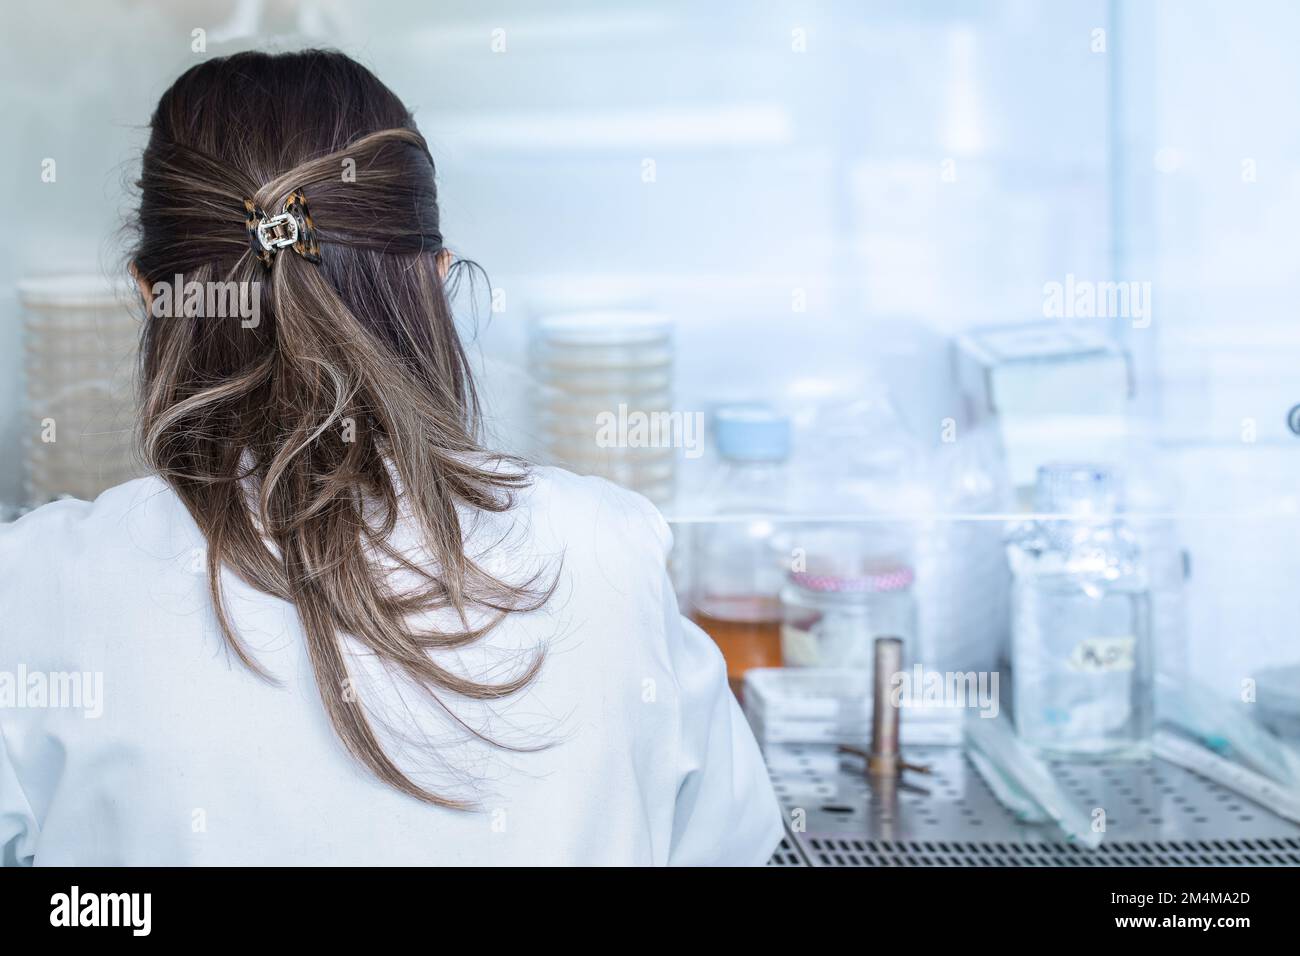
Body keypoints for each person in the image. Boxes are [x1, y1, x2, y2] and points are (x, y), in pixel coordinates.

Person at [0, 49, 781, 866]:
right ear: (437, 281)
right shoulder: (609, 550)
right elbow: (730, 843)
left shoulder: (37, 587)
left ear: (151, 294)